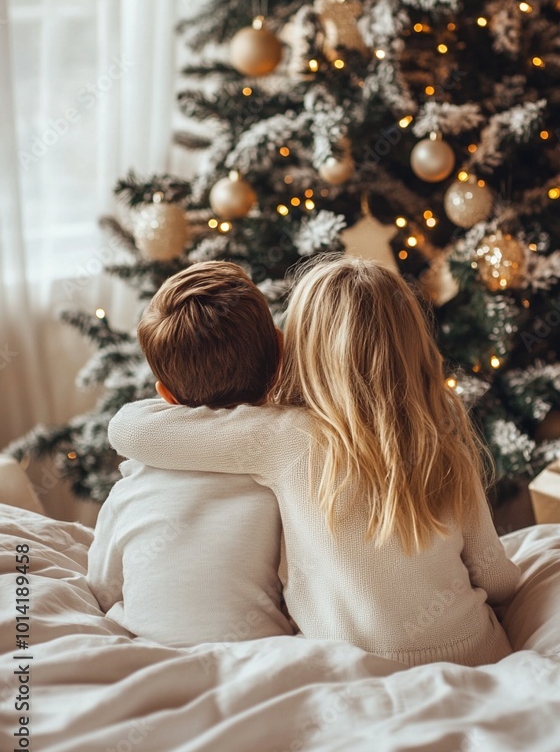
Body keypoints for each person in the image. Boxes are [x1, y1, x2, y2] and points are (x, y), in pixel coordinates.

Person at [108, 255, 520, 666]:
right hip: (477, 653)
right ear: (416, 349)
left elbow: (132, 433)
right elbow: (497, 580)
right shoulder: (444, 446)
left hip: (352, 666)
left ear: (290, 348)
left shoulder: (287, 437)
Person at [87, 261, 294, 646]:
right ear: (280, 352)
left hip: (149, 647)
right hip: (261, 650)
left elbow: (102, 589)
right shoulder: (284, 476)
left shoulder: (133, 482)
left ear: (165, 394)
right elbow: (299, 589)